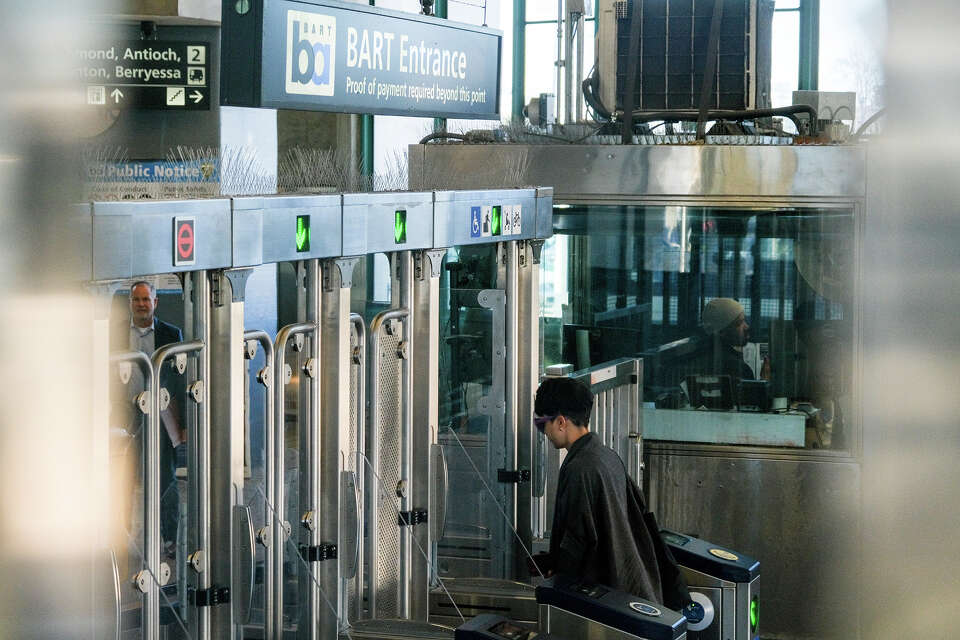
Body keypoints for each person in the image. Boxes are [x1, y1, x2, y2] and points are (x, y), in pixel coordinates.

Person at [530, 376, 691, 611]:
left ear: (561, 421)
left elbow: (579, 539)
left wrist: (557, 576)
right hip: (637, 587)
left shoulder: (580, 468)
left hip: (610, 599)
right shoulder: (606, 456)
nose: (543, 431)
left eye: (541, 423)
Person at [120, 280, 187, 553]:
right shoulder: (116, 334)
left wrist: (184, 425)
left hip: (161, 417)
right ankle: (120, 538)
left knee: (165, 479)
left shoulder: (172, 334)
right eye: (136, 300)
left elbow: (181, 383)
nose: (141, 304)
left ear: (155, 303)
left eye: (146, 299)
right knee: (123, 478)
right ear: (130, 303)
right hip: (129, 416)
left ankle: (169, 540)